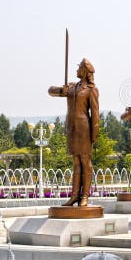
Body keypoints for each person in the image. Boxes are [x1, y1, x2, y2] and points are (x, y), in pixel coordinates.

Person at [48, 58, 99, 207]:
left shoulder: (91, 89)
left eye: (79, 68)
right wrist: (60, 90)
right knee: (76, 162)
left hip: (84, 129)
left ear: (84, 71)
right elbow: (50, 91)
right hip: (71, 128)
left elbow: (95, 115)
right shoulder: (71, 87)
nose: (76, 70)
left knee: (85, 161)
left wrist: (93, 135)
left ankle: (85, 196)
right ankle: (74, 196)